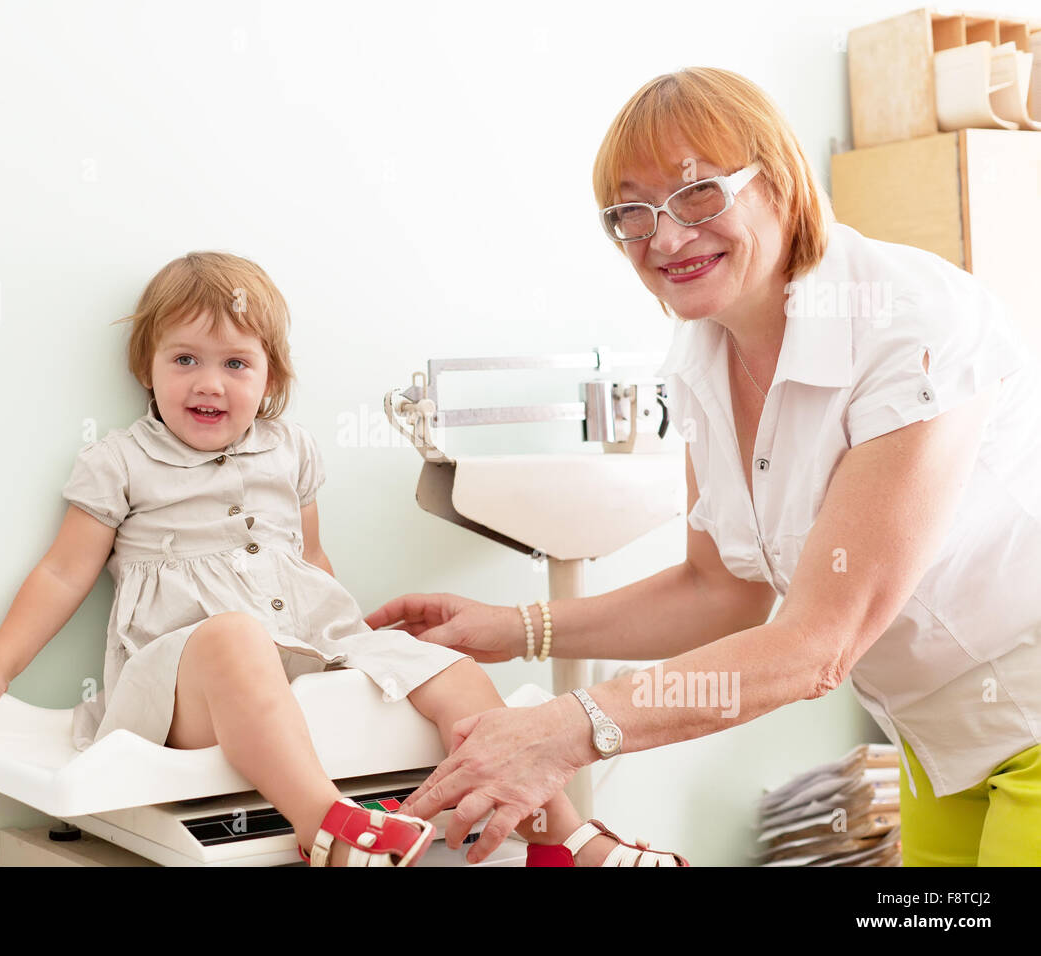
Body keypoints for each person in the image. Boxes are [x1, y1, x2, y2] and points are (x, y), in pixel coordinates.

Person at [366, 67, 1041, 866]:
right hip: (938, 743)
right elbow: (717, 591)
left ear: (781, 183)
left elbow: (817, 642)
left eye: (698, 195)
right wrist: (512, 630)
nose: (665, 238)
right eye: (632, 212)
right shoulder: (702, 357)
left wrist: (569, 729)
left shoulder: (912, 323)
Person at [0, 251, 682, 866]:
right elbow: (64, 572)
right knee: (233, 633)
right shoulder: (121, 462)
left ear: (269, 379)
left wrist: (375, 656)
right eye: (185, 359)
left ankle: (566, 836)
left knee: (443, 662)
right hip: (184, 680)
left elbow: (314, 562)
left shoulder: (290, 450)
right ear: (147, 370)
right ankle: (321, 820)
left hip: (303, 649)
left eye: (236, 363)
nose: (209, 382)